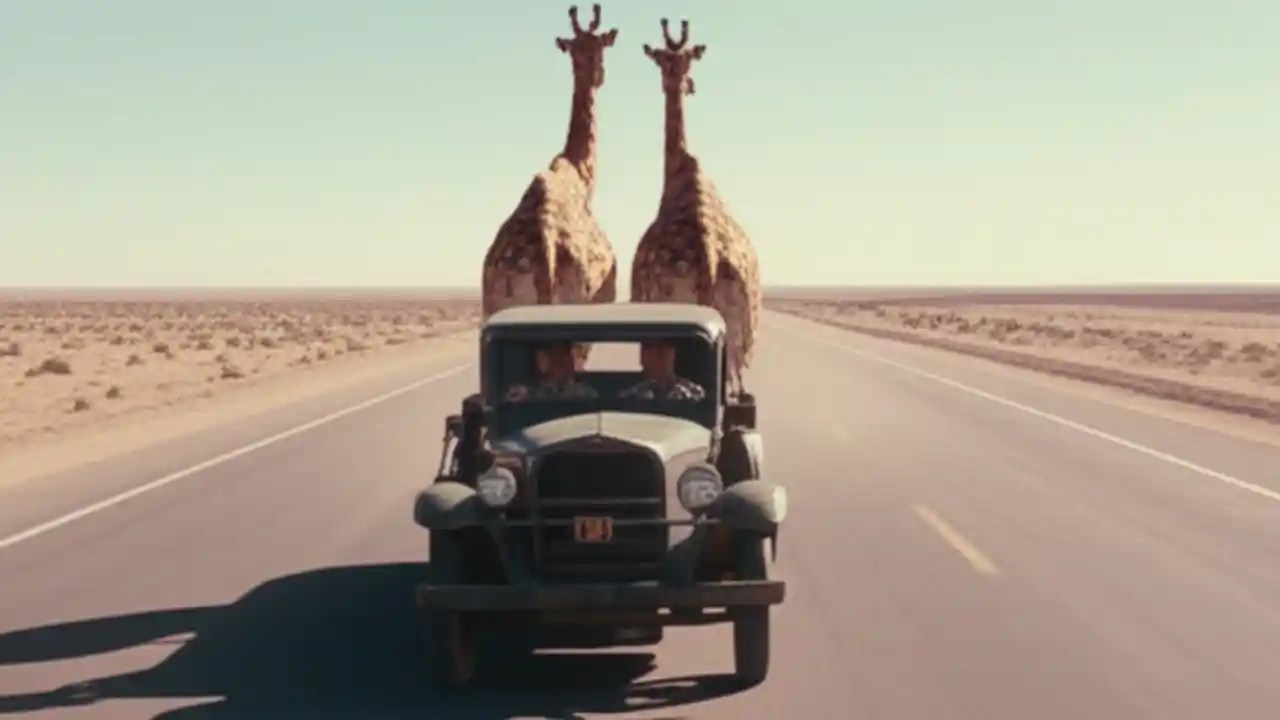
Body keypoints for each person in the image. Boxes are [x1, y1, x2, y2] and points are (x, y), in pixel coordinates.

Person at [505, 341, 599, 401]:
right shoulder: (524, 393)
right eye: (540, 355)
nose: (542, 360)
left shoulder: (583, 394)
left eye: (553, 356)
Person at [618, 339, 706, 401]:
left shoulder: (694, 394)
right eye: (651, 348)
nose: (661, 355)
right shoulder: (630, 397)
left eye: (665, 348)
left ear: (673, 354)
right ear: (642, 356)